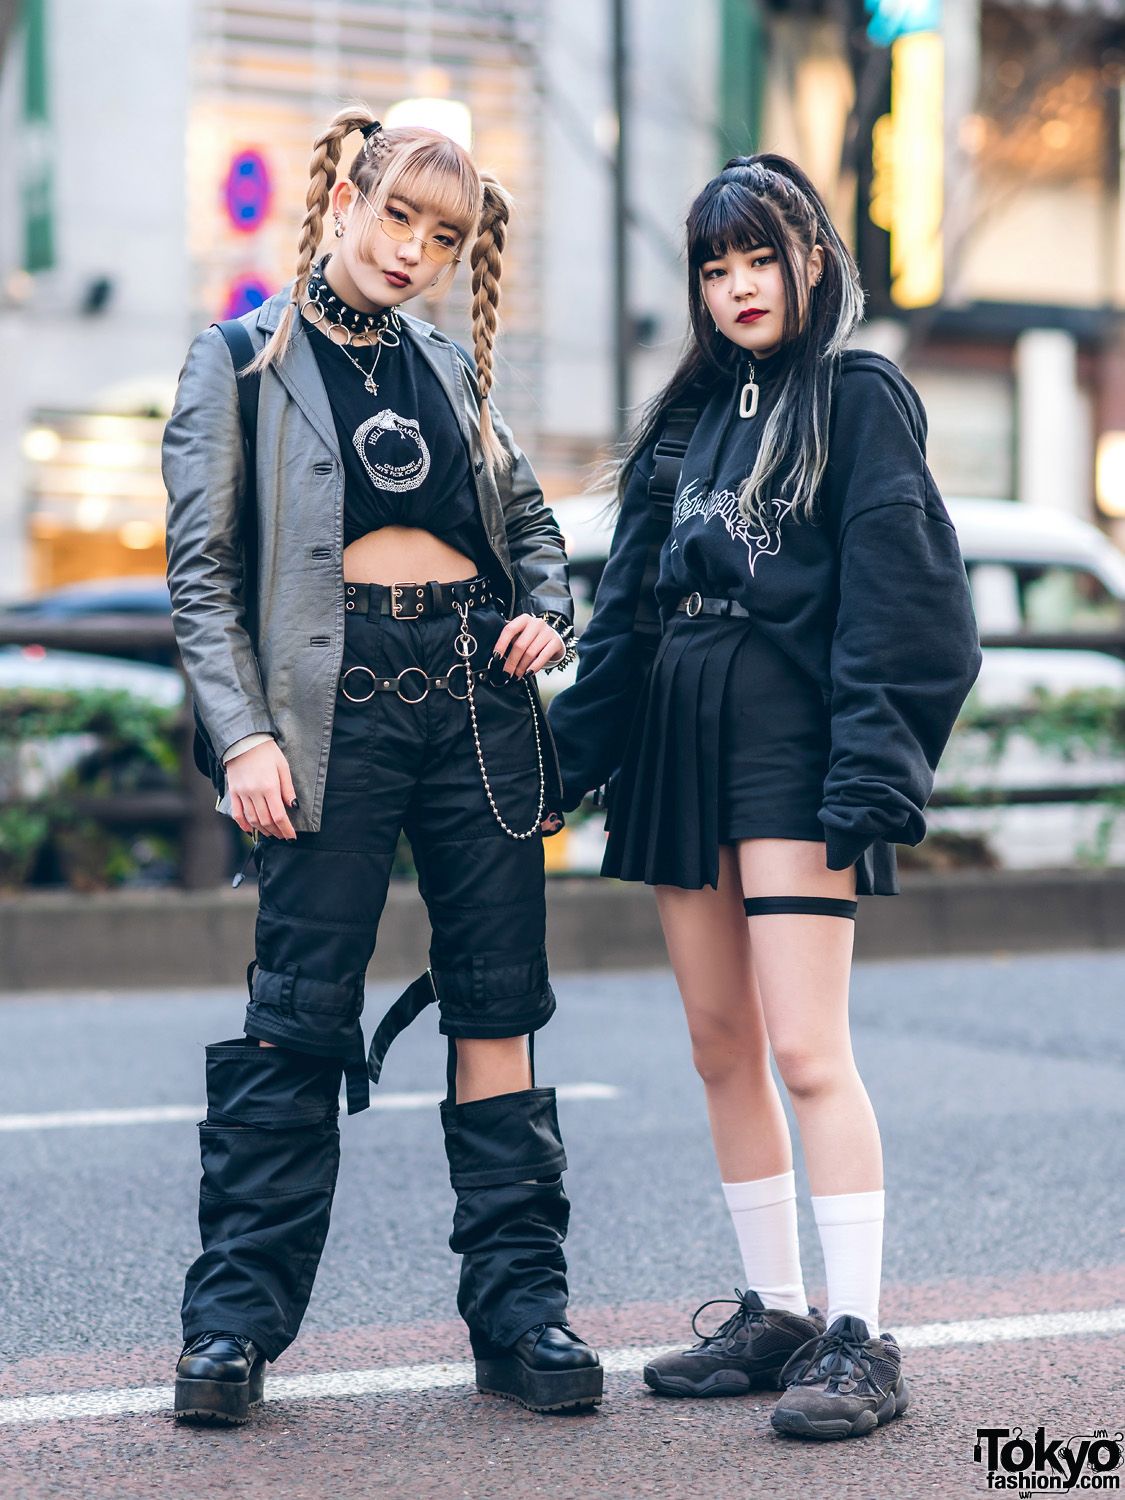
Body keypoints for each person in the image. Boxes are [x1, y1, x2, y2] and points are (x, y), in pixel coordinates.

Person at [163, 107, 601, 1424]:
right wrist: (241, 732)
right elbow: (199, 577)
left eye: (444, 234)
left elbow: (527, 516)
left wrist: (546, 609)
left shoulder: (444, 362)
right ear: (344, 195)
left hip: (477, 698)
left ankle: (521, 1315)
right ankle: (232, 1326)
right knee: (296, 1009)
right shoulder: (239, 359)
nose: (413, 250)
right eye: (397, 215)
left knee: (498, 1002)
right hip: (325, 712)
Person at [548, 153, 981, 1441]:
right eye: (715, 266)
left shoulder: (857, 399)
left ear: (814, 259)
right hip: (682, 743)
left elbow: (906, 606)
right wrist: (564, 769)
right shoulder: (683, 419)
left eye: (760, 257)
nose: (739, 286)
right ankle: (775, 1308)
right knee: (720, 1045)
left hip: (795, 748)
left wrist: (871, 770)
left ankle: (858, 1334)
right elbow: (622, 610)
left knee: (805, 1046)